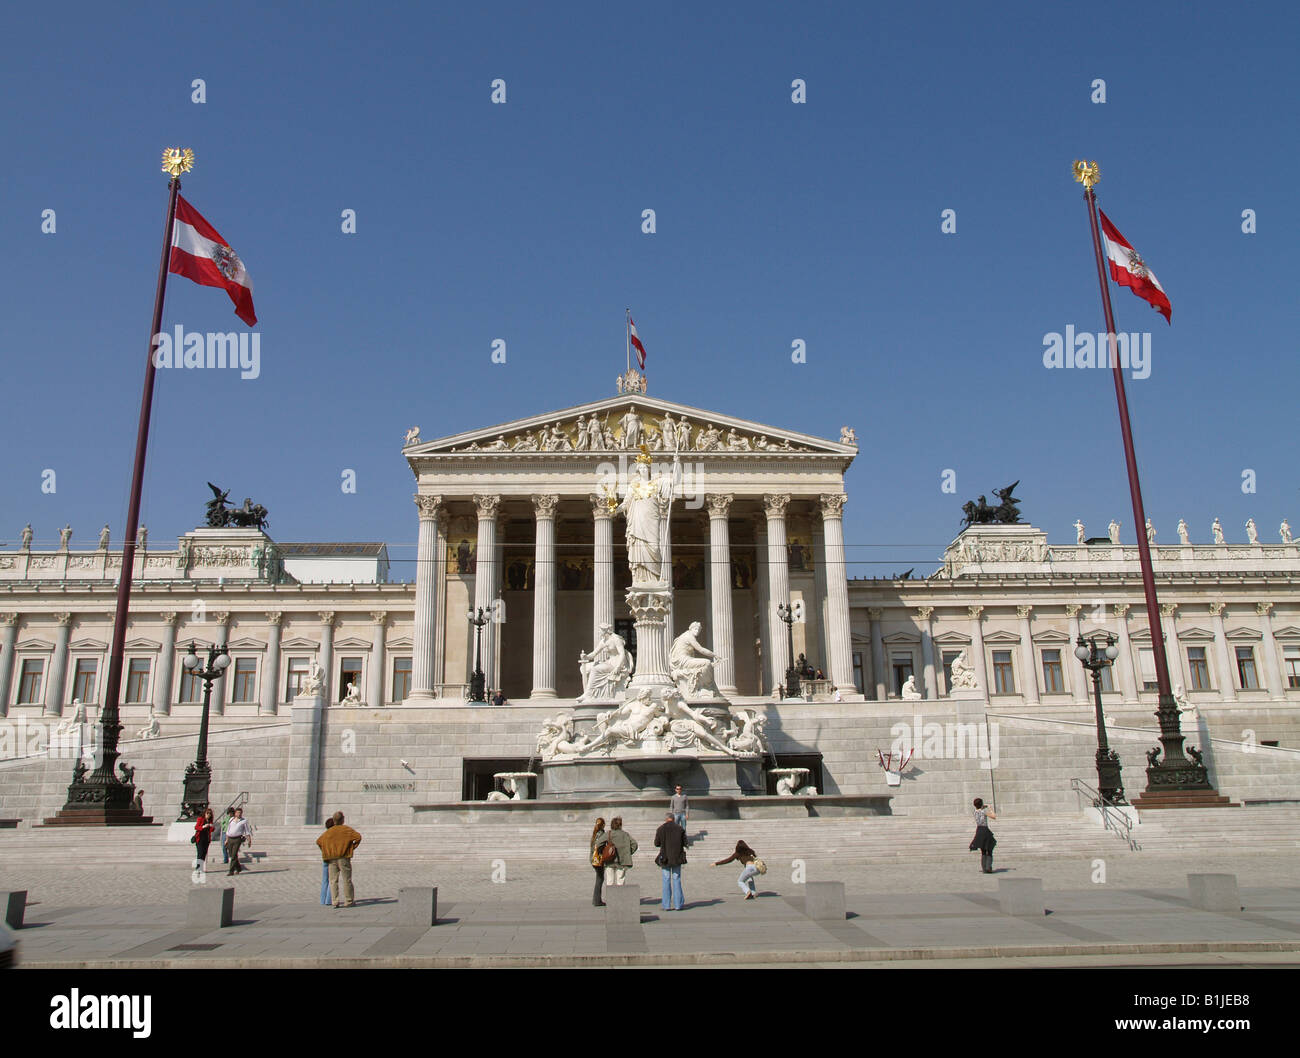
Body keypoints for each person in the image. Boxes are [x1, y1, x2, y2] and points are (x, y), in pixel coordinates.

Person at [317, 810, 363, 908]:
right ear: (342, 820)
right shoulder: (346, 829)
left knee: (333, 880)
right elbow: (358, 837)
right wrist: (352, 847)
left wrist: (326, 851)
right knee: (347, 879)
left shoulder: (329, 832)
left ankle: (335, 901)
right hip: (343, 858)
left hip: (332, 858)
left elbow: (319, 841)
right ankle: (349, 900)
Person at [654, 812, 688, 911]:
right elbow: (685, 842)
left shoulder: (661, 829)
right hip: (677, 857)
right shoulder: (680, 829)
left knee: (666, 880)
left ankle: (666, 905)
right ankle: (678, 905)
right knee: (677, 880)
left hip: (665, 858)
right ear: (673, 819)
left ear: (666, 819)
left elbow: (656, 843)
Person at [604, 816, 637, 887]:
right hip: (622, 861)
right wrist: (628, 853)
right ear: (620, 825)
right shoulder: (625, 834)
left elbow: (598, 844)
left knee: (609, 882)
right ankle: (620, 897)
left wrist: (604, 852)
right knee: (620, 882)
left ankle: (610, 897)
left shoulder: (608, 834)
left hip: (609, 860)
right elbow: (635, 844)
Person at [969, 797, 997, 874]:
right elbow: (994, 816)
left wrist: (981, 806)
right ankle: (988, 867)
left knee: (983, 851)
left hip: (979, 831)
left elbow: (978, 809)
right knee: (990, 849)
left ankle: (984, 868)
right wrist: (990, 808)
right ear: (981, 804)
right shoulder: (984, 811)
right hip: (985, 830)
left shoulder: (974, 811)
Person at [224, 807, 251, 875]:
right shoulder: (231, 819)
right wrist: (226, 839)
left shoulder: (243, 821)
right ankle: (238, 868)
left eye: (240, 813)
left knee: (234, 855)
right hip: (230, 838)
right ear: (235, 813)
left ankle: (231, 871)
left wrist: (249, 840)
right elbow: (228, 830)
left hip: (237, 839)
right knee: (231, 854)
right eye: (238, 812)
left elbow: (247, 831)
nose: (239, 814)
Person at [589, 816, 608, 907]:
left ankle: (596, 899)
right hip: (598, 859)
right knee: (600, 879)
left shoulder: (595, 833)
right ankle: (597, 900)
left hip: (593, 859)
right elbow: (599, 845)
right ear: (603, 825)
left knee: (599, 878)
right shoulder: (601, 833)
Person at [320, 818, 335, 905]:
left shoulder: (324, 835)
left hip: (325, 858)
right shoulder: (333, 835)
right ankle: (328, 900)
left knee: (325, 880)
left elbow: (318, 842)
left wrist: (323, 850)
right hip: (332, 858)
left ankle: (322, 900)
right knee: (332, 879)